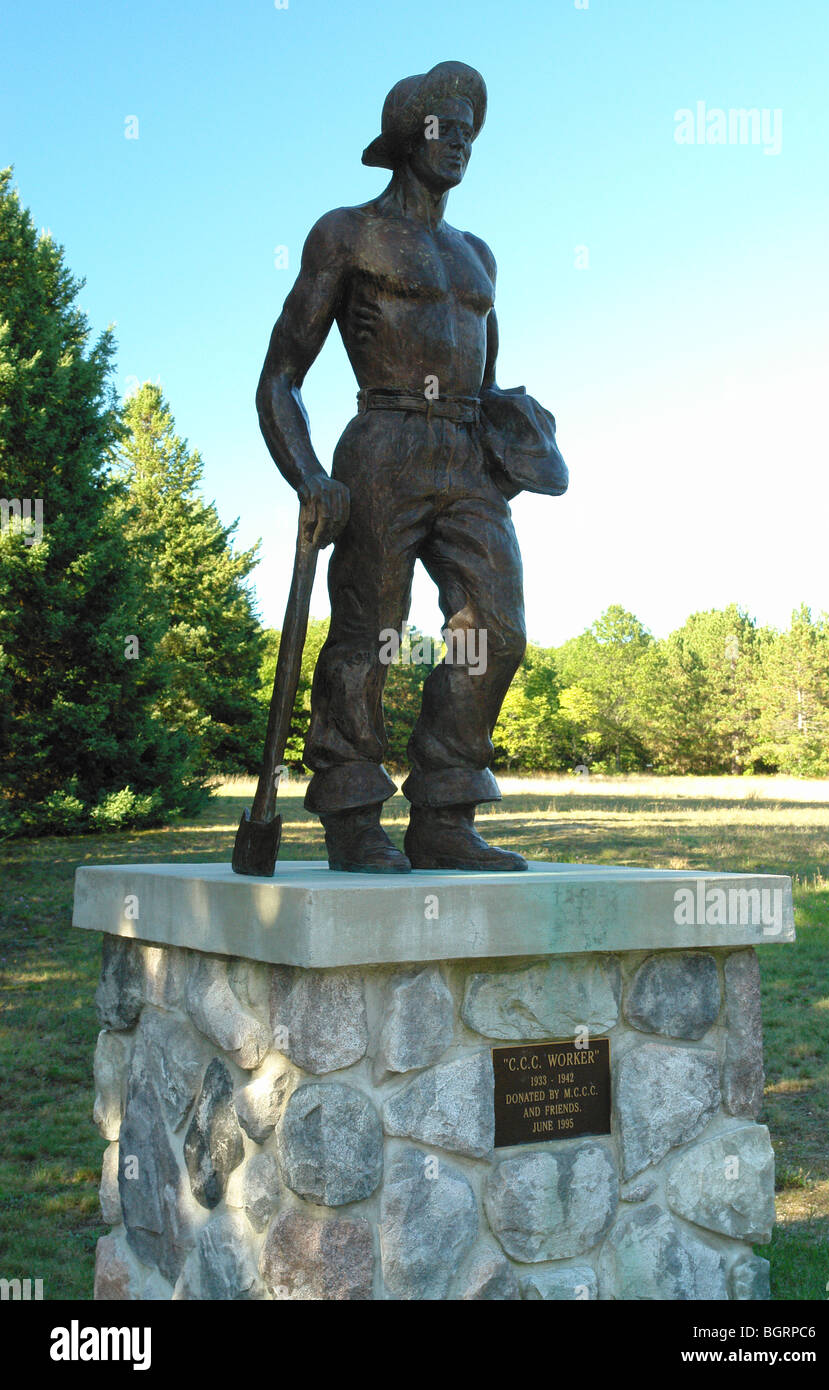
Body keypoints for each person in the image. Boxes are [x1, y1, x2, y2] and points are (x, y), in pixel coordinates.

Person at [256, 62, 565, 873]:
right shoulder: (347, 233)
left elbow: (488, 378)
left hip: (465, 455)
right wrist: (308, 474)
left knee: (496, 631)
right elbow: (281, 374)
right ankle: (354, 812)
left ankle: (444, 813)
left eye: (468, 130)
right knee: (372, 632)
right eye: (442, 128)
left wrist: (514, 445)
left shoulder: (479, 257)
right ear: (404, 140)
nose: (458, 142)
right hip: (383, 441)